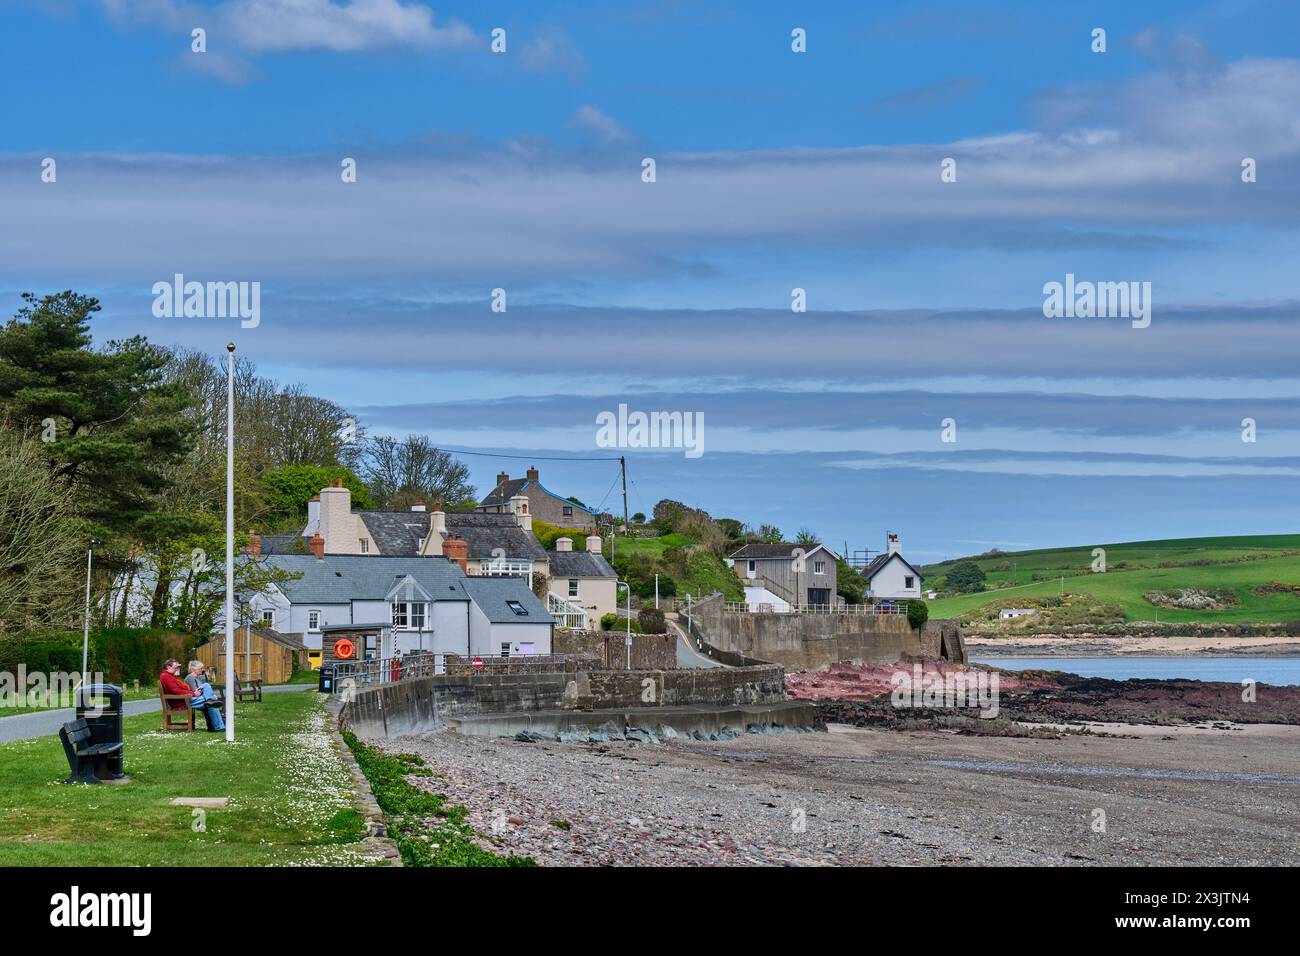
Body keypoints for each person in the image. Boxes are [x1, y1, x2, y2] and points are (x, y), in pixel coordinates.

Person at [158, 659, 223, 732]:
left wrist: (193, 692)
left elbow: (180, 690)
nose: (177, 669)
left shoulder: (170, 676)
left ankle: (216, 724)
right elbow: (176, 691)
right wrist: (193, 693)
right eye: (176, 667)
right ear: (168, 667)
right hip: (183, 701)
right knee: (212, 701)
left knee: (206, 687)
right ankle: (218, 727)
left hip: (186, 699)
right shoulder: (166, 676)